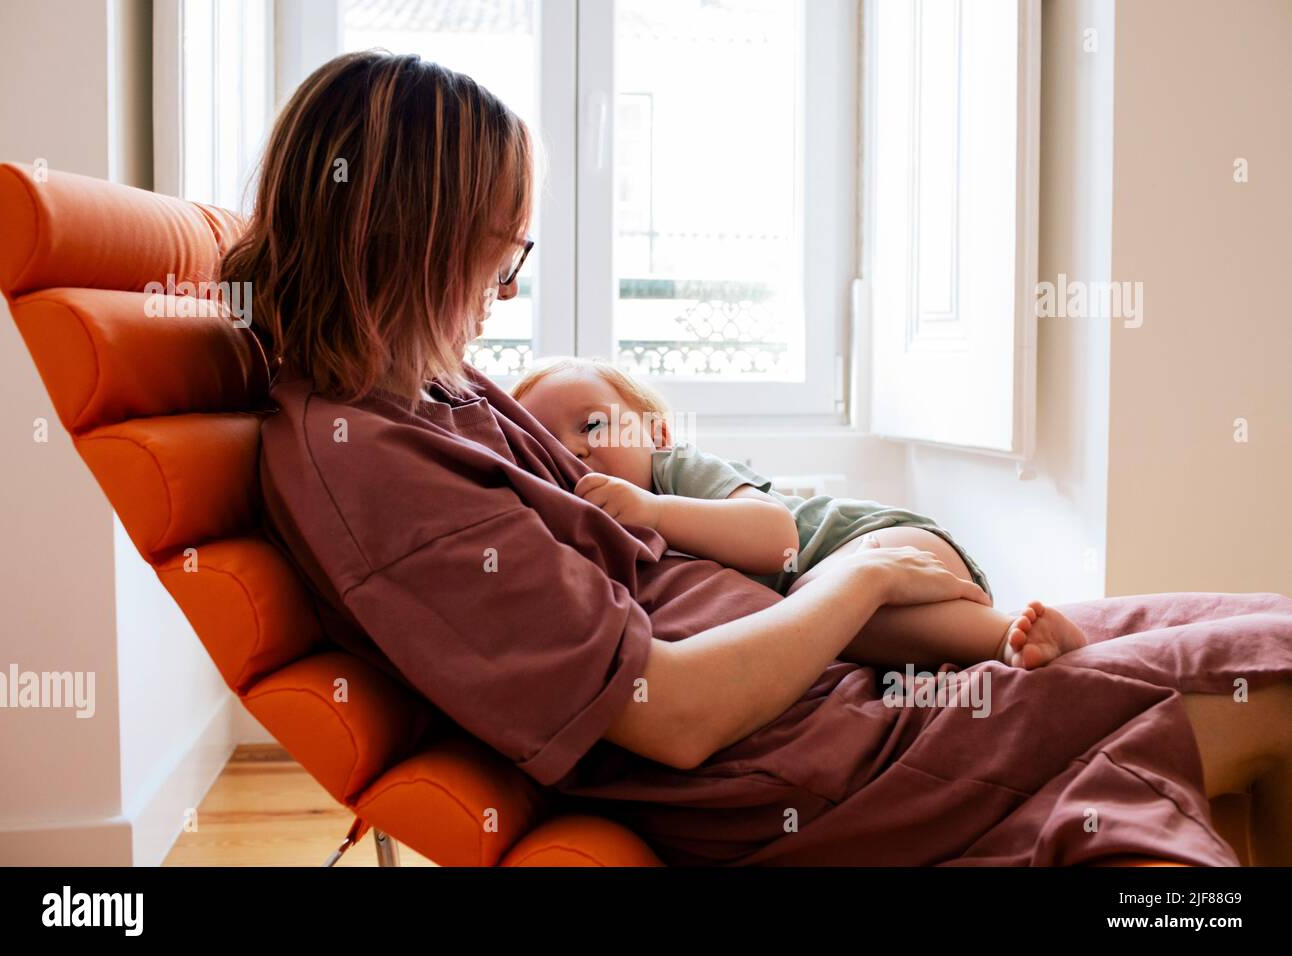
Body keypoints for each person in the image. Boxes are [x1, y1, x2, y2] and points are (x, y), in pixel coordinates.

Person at [222, 50, 1292, 865]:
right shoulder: (373, 470)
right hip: (828, 760)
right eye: (501, 260)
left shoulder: (423, 394)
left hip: (843, 689)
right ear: (417, 241)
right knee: (1267, 689)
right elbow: (673, 716)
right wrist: (860, 574)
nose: (503, 299)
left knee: (1245, 631)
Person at [512, 356, 1089, 671]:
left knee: (820, 598)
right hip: (872, 596)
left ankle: (1000, 637)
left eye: (591, 424)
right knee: (840, 626)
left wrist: (655, 509)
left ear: (656, 431)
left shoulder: (677, 471)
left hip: (881, 540)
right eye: (553, 451)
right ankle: (997, 649)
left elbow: (775, 538)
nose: (578, 450)